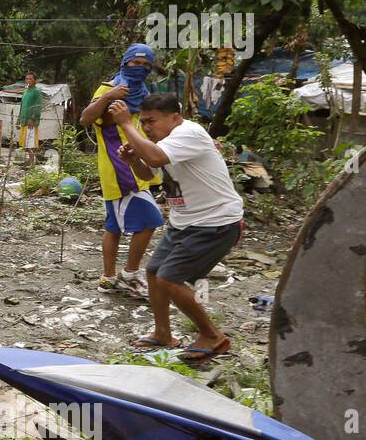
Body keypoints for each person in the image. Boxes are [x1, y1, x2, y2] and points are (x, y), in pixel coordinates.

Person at [110, 93, 244, 362]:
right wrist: (133, 160)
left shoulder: (189, 132)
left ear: (174, 117)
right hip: (184, 222)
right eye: (143, 122)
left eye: (151, 121)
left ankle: (212, 335)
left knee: (169, 278)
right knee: (154, 272)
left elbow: (157, 159)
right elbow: (150, 174)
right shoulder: (165, 142)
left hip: (215, 221)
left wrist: (126, 124)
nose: (147, 128)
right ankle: (162, 333)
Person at [78, 43, 163, 298]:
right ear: (125, 62)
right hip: (120, 169)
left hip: (139, 167)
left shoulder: (144, 94)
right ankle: (130, 274)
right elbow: (85, 119)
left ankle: (109, 277)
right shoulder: (109, 89)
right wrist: (108, 96)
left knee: (114, 226)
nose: (141, 69)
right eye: (136, 63)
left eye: (146, 65)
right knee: (151, 220)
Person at [18, 73, 44, 166]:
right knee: (25, 142)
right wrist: (18, 120)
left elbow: (38, 106)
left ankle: (32, 161)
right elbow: (22, 106)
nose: (28, 80)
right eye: (27, 79)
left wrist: (33, 119)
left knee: (30, 142)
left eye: (30, 79)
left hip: (31, 121)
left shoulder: (36, 91)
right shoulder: (25, 91)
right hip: (24, 120)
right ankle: (30, 161)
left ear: (35, 81)